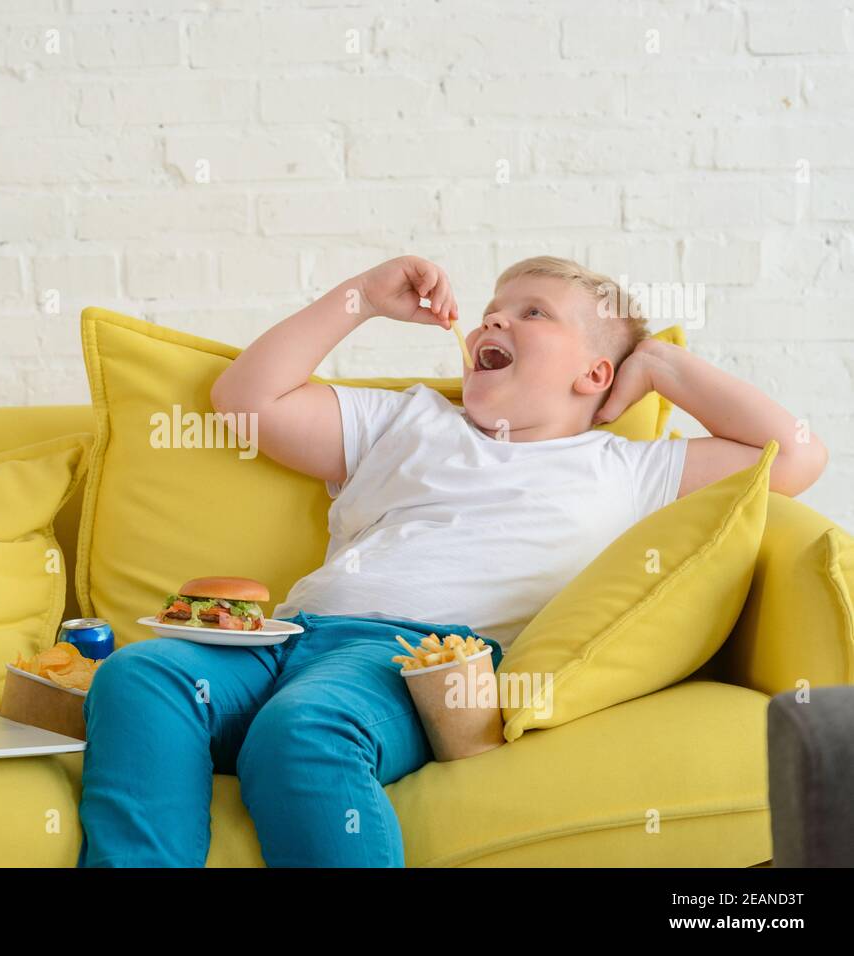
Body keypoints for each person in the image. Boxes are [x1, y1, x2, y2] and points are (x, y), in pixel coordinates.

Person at [77, 254, 829, 867]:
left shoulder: (629, 470)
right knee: (140, 676)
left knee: (302, 731)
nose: (496, 317)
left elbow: (795, 454)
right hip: (286, 637)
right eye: (495, 307)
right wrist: (363, 296)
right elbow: (245, 398)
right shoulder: (406, 417)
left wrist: (659, 361)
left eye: (534, 312)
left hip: (414, 662)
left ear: (596, 376)